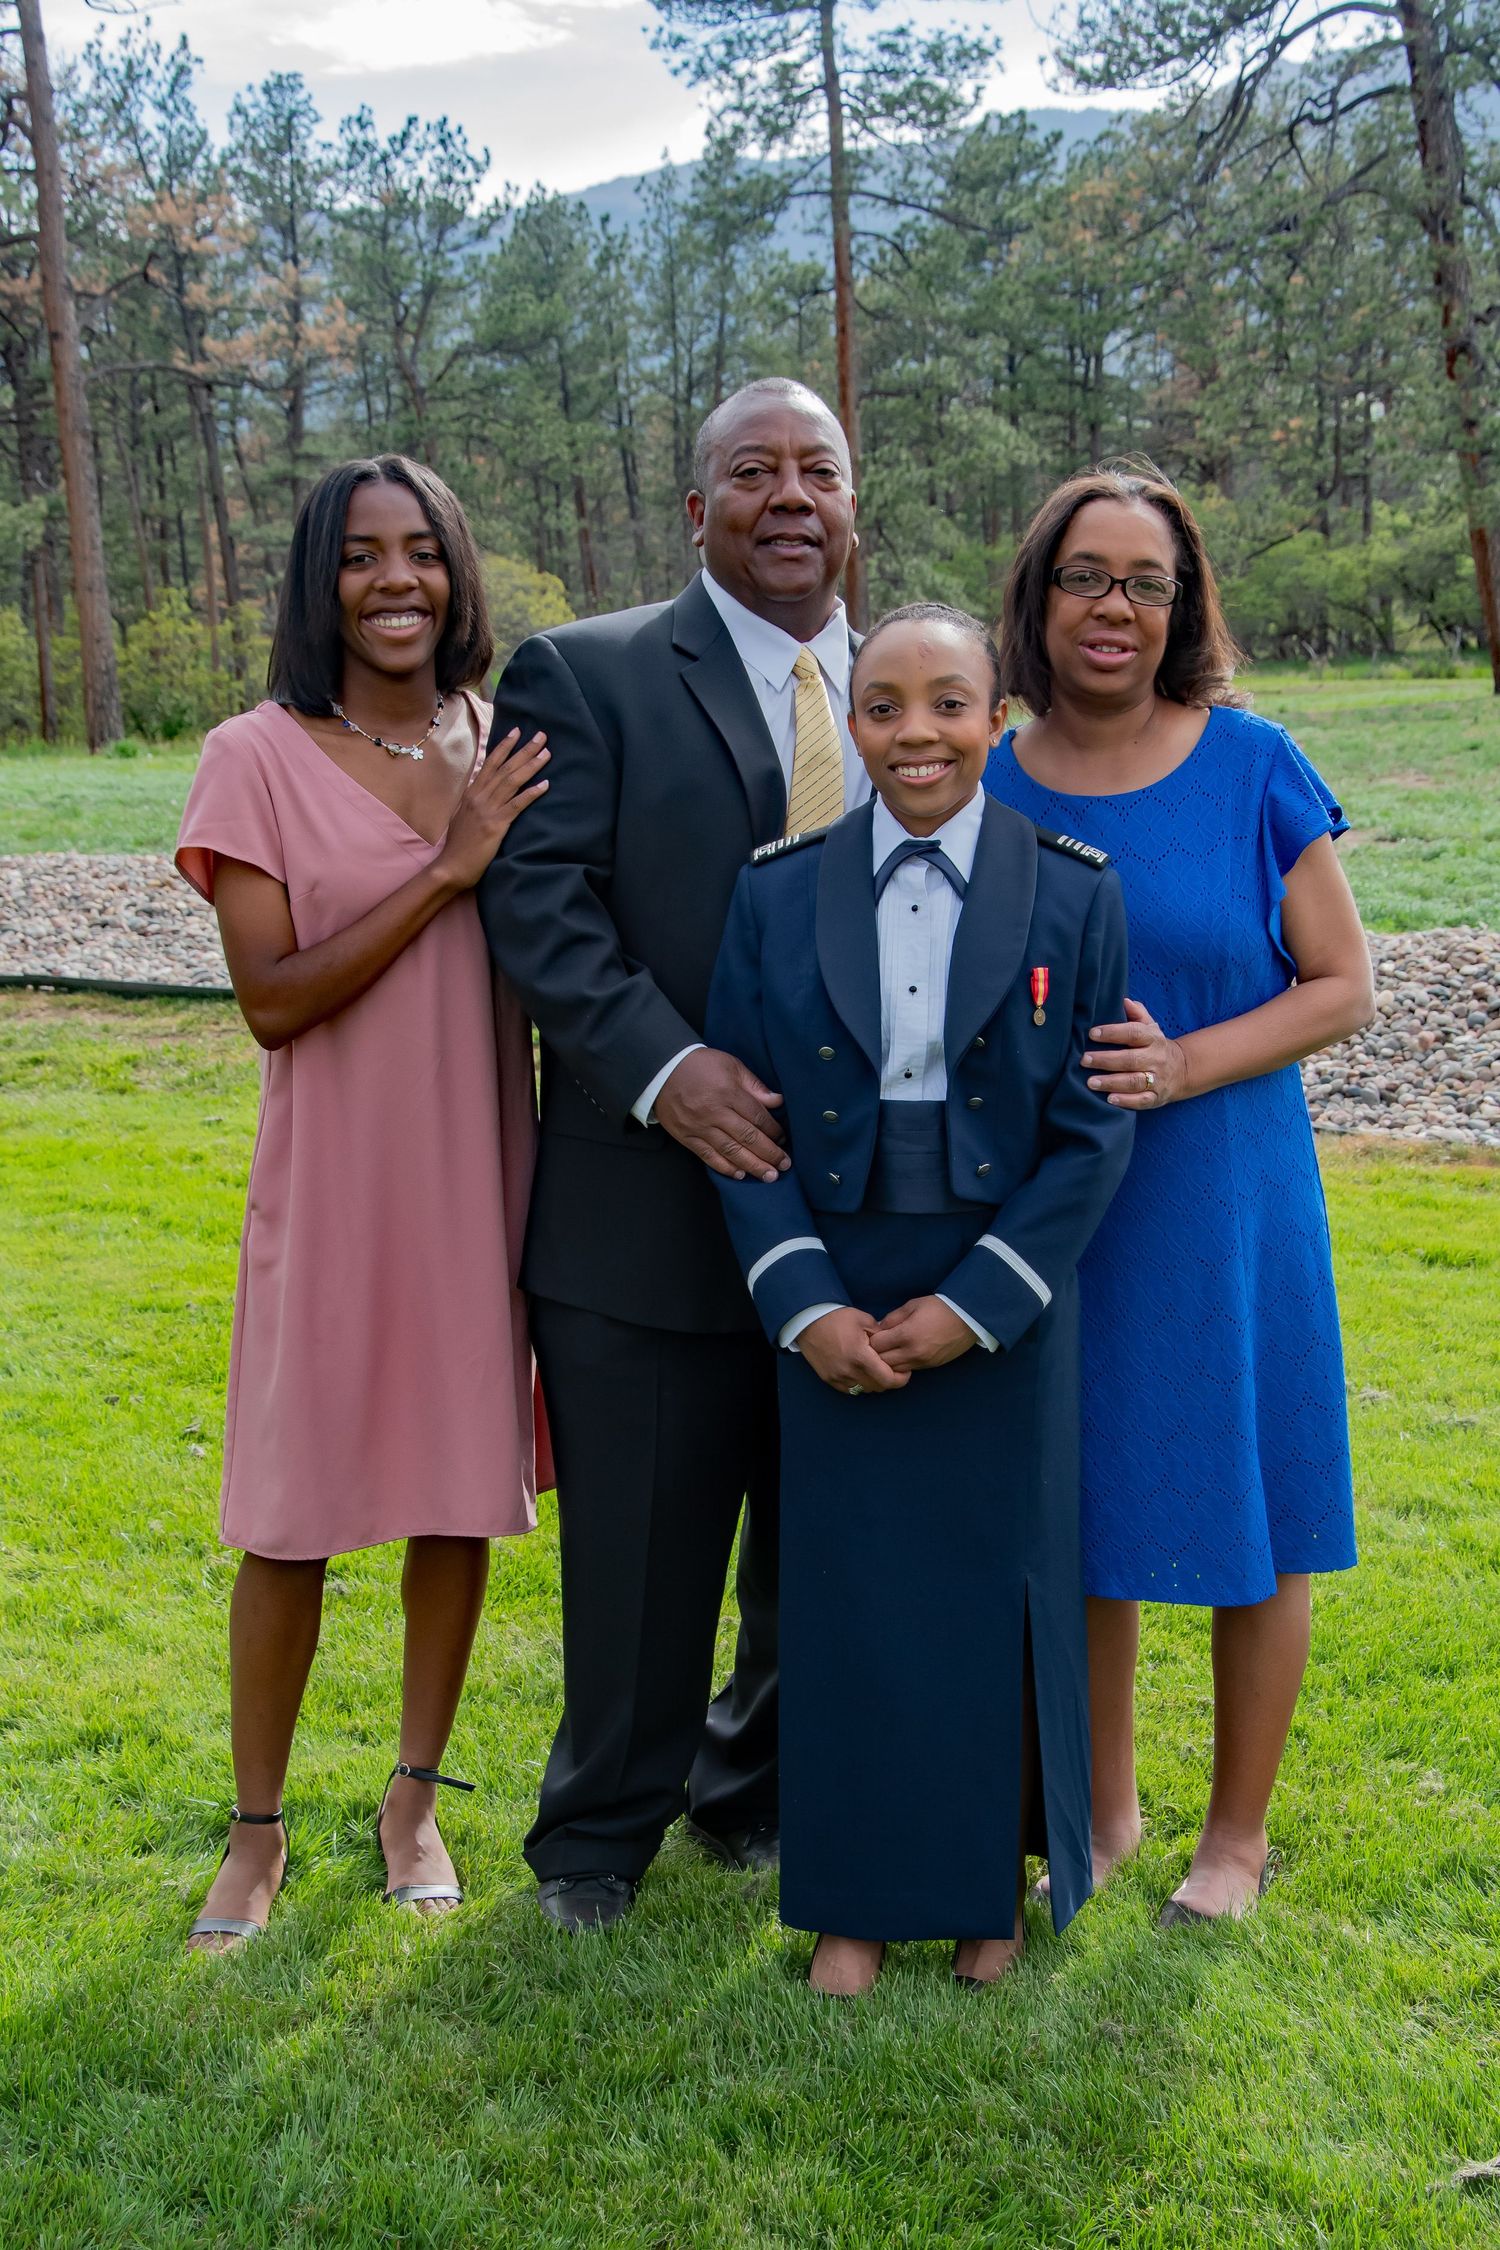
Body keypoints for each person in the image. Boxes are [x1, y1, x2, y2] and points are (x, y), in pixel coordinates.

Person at [478, 379, 865, 1930]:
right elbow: (540, 910)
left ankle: (750, 1786)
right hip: (648, 1201)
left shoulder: (918, 686)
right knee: (644, 1548)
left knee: (822, 1533)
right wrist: (668, 1071)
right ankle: (596, 1839)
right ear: (696, 511)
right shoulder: (591, 672)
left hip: (865, 1214)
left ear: (853, 505)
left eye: (817, 469)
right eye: (752, 471)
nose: (789, 495)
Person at [707, 604, 1135, 1994]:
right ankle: (851, 1903)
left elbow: (1090, 1129)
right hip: (836, 1267)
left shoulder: (1074, 890)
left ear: (996, 716)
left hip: (999, 1276)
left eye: (947, 704)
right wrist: (803, 1301)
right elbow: (745, 1124)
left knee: (990, 1589)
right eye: (881, 705)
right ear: (852, 723)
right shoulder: (774, 890)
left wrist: (982, 1302)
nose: (915, 734)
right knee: (843, 1593)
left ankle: (984, 1898)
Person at [983, 464, 1373, 1926]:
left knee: (1252, 1507)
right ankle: (1103, 1806)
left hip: (1223, 1193)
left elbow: (1346, 985)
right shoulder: (992, 775)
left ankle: (1236, 1834)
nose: (1116, 608)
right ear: (1040, 593)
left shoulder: (1253, 761)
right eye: (1089, 574)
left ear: (1183, 606)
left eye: (1148, 583)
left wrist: (1186, 1061)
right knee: (1087, 1502)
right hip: (1065, 1208)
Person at [175, 455, 551, 1950]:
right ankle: (256, 1829)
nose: (397, 581)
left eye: (424, 554)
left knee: (456, 1492)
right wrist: (452, 865)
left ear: (458, 574)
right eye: (362, 555)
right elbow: (272, 999)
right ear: (318, 579)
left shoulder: (506, 742)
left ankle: (413, 1799)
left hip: (479, 1171)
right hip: (333, 1185)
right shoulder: (252, 753)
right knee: (293, 1511)